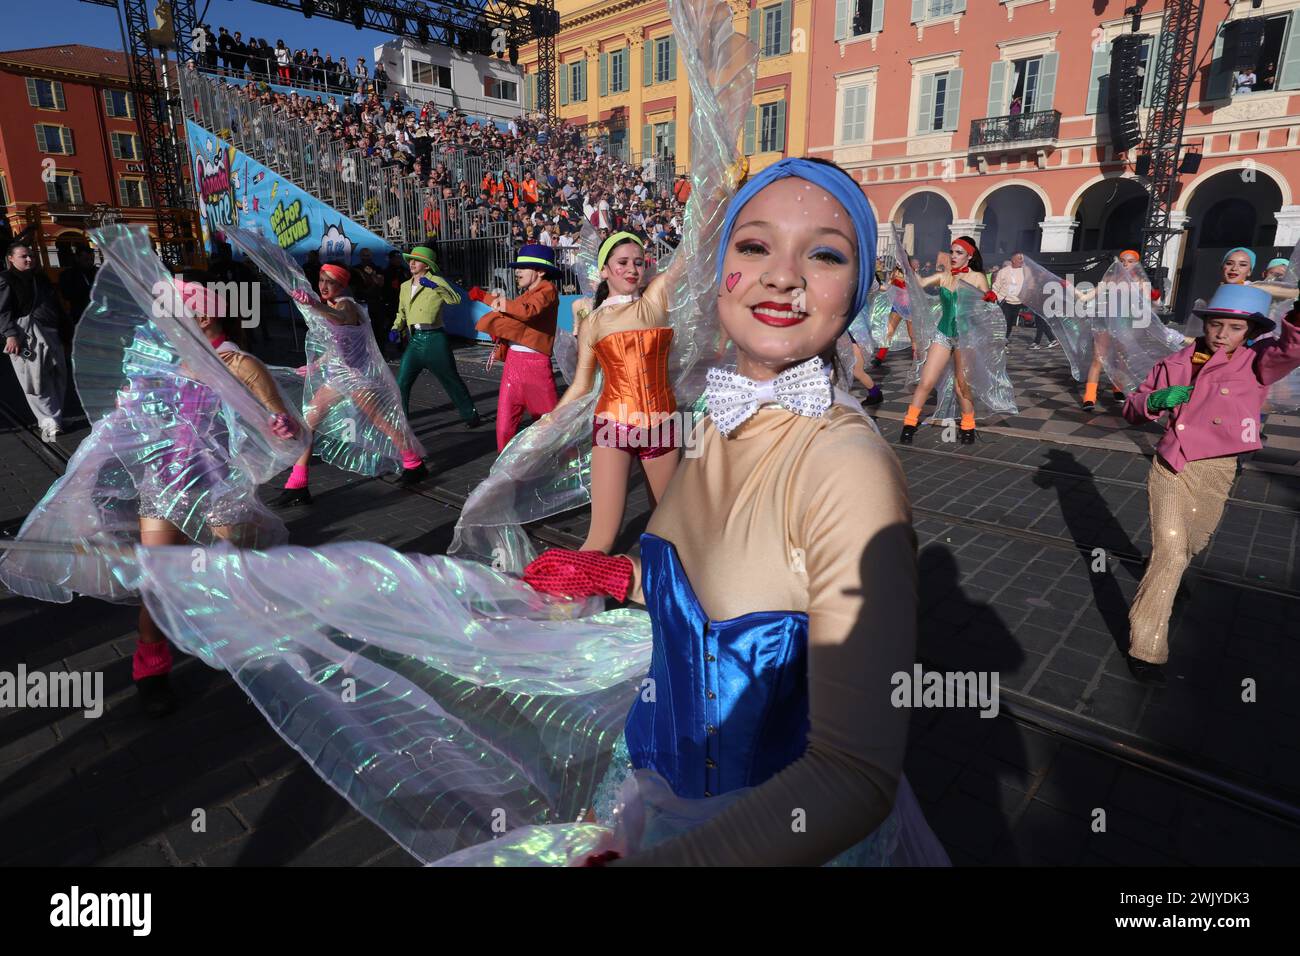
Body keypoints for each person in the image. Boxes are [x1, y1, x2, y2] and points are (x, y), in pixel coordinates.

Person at [0, 225, 303, 717]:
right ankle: (151, 667)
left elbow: (281, 422)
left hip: (216, 485)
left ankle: (253, 649)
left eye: (190, 310)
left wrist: (279, 424)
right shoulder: (160, 366)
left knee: (236, 570)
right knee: (157, 580)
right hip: (161, 486)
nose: (181, 319)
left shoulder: (239, 362)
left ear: (209, 314)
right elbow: (126, 426)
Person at [1122, 284, 1300, 683]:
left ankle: (1167, 577)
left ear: (1249, 332)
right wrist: (1157, 400)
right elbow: (1133, 406)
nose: (1222, 334)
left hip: (1219, 467)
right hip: (1173, 462)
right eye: (1216, 325)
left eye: (1234, 328)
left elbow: (1290, 349)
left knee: (1192, 542)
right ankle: (1147, 644)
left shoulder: (1257, 363)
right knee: (1169, 546)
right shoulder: (1175, 361)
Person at [548, 232, 680, 552]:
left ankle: (671, 595)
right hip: (613, 425)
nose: (632, 269)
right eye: (622, 263)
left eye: (638, 262)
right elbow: (581, 384)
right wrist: (550, 421)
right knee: (602, 537)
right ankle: (576, 599)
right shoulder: (593, 321)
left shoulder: (657, 296)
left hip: (663, 424)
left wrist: (721, 187)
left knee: (671, 526)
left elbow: (695, 246)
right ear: (605, 271)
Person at [898, 236, 1016, 444]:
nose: (953, 256)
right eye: (952, 252)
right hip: (943, 334)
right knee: (926, 380)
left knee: (962, 385)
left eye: (959, 253)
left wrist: (988, 299)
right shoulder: (945, 276)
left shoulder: (978, 277)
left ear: (969, 257)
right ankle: (909, 423)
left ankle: (968, 426)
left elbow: (985, 310)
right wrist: (907, 266)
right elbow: (921, 283)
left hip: (966, 338)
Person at [474, 243, 561, 451]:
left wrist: (492, 299)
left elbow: (527, 311)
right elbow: (515, 317)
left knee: (549, 428)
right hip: (513, 364)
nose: (517, 271)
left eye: (523, 267)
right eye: (517, 267)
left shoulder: (548, 290)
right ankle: (504, 472)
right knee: (504, 428)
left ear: (540, 271)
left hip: (536, 368)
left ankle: (561, 470)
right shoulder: (525, 294)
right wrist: (485, 300)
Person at [391, 246, 481, 429]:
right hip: (415, 339)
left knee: (450, 379)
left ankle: (470, 415)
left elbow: (455, 299)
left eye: (416, 260)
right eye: (410, 260)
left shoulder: (437, 280)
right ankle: (401, 423)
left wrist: (436, 287)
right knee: (401, 382)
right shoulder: (405, 286)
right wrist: (395, 327)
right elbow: (401, 312)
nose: (412, 263)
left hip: (435, 339)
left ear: (427, 265)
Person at [1, 242, 68, 443]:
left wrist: (66, 332)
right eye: (23, 256)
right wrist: (10, 334)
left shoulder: (41, 277)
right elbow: (2, 310)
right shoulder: (6, 280)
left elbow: (56, 306)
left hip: (52, 332)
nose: (29, 259)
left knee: (58, 375)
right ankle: (49, 423)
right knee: (35, 379)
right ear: (11, 259)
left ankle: (56, 418)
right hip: (27, 335)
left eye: (31, 255)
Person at [992, 251, 1026, 341]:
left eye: (1022, 258)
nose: (1022, 260)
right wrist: (998, 298)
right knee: (1005, 322)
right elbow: (996, 286)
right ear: (1013, 260)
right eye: (1019, 258)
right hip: (1005, 302)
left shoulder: (1025, 271)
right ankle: (1001, 342)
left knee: (1010, 324)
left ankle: (1004, 340)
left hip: (1018, 302)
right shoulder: (1003, 272)